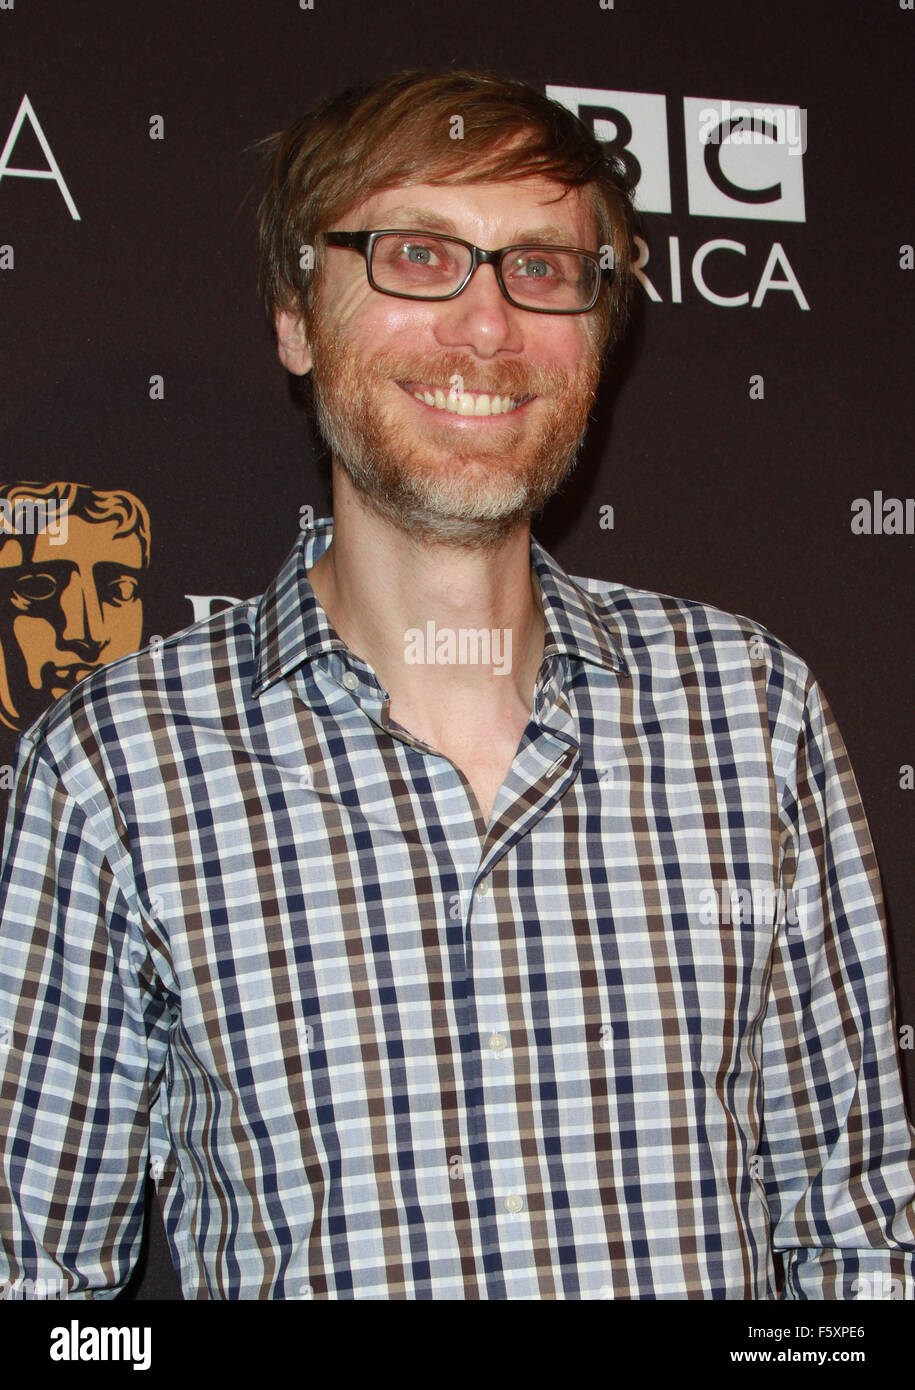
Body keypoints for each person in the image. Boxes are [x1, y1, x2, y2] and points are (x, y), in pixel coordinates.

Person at [1, 68, 914, 1302]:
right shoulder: (117, 768)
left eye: (539, 268)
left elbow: (861, 1249)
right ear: (294, 312)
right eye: (418, 254)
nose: (487, 327)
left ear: (597, 328)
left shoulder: (753, 714)